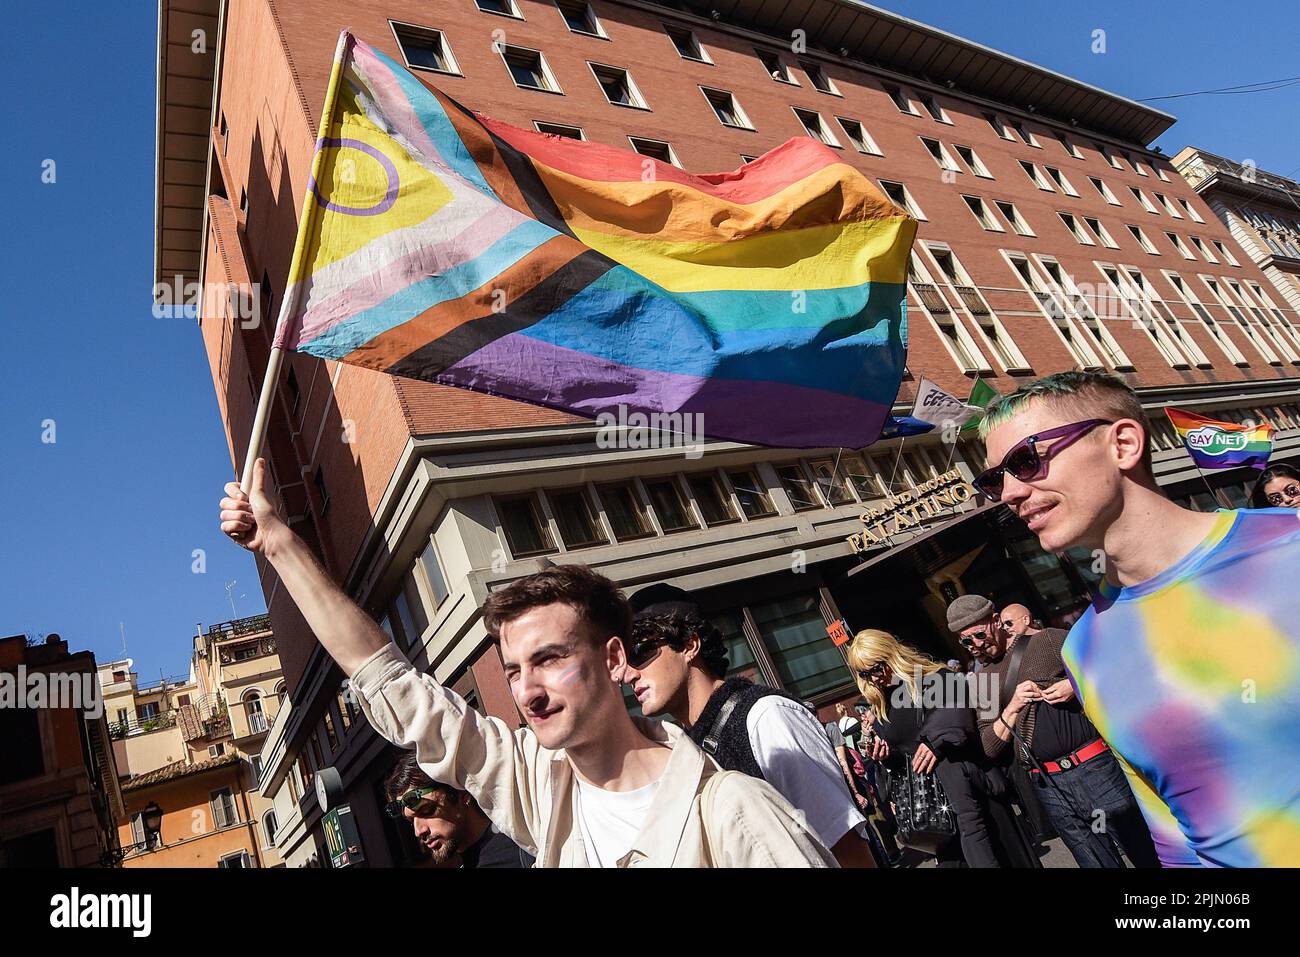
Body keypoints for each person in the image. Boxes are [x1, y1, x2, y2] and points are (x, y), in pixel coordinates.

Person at [219, 460, 835, 868]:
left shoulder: (733, 812)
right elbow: (392, 683)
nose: (528, 691)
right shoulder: (545, 793)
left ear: (614, 657)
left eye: (550, 659)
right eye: (513, 670)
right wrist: (278, 543)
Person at [978, 370, 1300, 867]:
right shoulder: (1083, 650)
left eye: (1025, 460)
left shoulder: (1289, 546)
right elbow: (1176, 836)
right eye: (994, 477)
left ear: (1123, 443)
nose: (1008, 493)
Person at [621, 584, 874, 867]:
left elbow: (846, 848)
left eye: (640, 651)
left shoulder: (766, 717)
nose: (628, 674)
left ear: (690, 645)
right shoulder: (683, 749)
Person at [948, 594, 1158, 868]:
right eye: (966, 641)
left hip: (1094, 768)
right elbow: (989, 745)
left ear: (996, 621)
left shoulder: (1044, 640)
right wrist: (1012, 707)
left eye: (979, 634)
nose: (976, 644)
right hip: (1047, 782)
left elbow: (1106, 661)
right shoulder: (981, 682)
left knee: (1143, 852)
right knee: (1094, 862)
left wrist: (1073, 685)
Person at [847, 628, 1035, 868]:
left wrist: (935, 742)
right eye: (865, 674)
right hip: (932, 809)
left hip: (970, 794)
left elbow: (961, 717)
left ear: (891, 654)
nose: (874, 679)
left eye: (876, 669)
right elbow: (902, 756)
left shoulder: (933, 678)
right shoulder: (882, 703)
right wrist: (885, 758)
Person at [384, 751, 534, 868]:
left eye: (426, 811)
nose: (419, 831)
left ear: (462, 794)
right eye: (411, 821)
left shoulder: (528, 845)